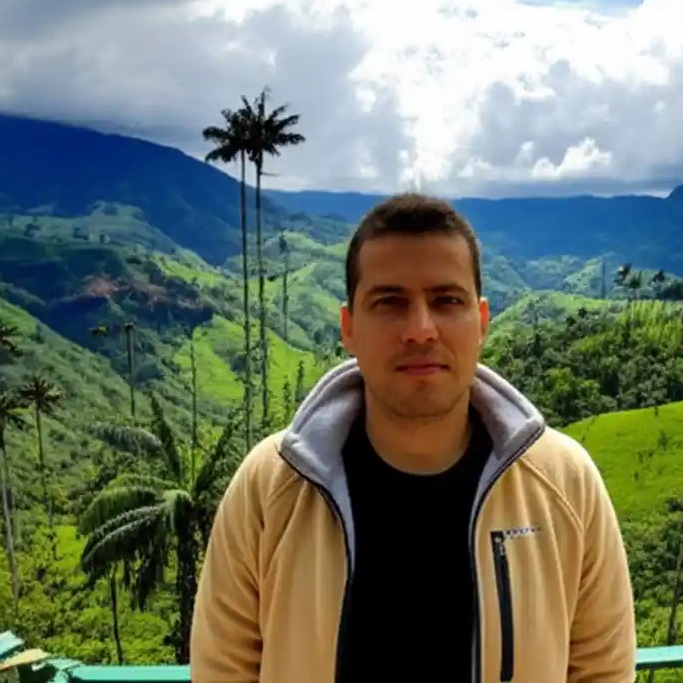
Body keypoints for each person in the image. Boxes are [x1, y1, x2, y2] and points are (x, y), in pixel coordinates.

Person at [190, 192, 637, 683]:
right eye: (390, 302)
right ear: (348, 328)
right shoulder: (271, 487)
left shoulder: (564, 485)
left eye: (447, 301)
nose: (421, 330)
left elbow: (603, 670)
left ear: (482, 322)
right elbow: (222, 671)